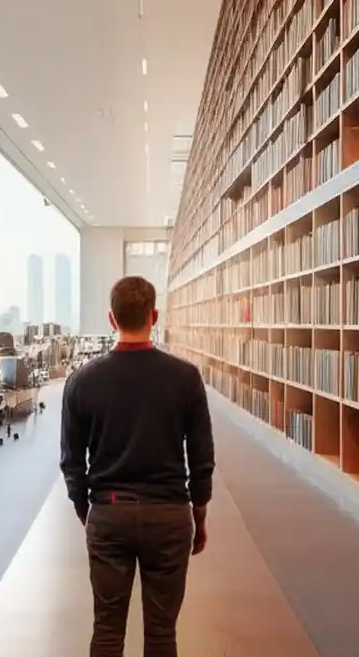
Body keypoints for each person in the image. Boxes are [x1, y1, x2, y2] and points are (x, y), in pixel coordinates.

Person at [60, 276, 215, 657]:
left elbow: (71, 461)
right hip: (169, 514)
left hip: (109, 512)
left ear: (111, 320)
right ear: (155, 315)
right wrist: (199, 513)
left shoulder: (81, 381)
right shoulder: (185, 378)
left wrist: (89, 512)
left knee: (108, 630)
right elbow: (201, 456)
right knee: (162, 633)